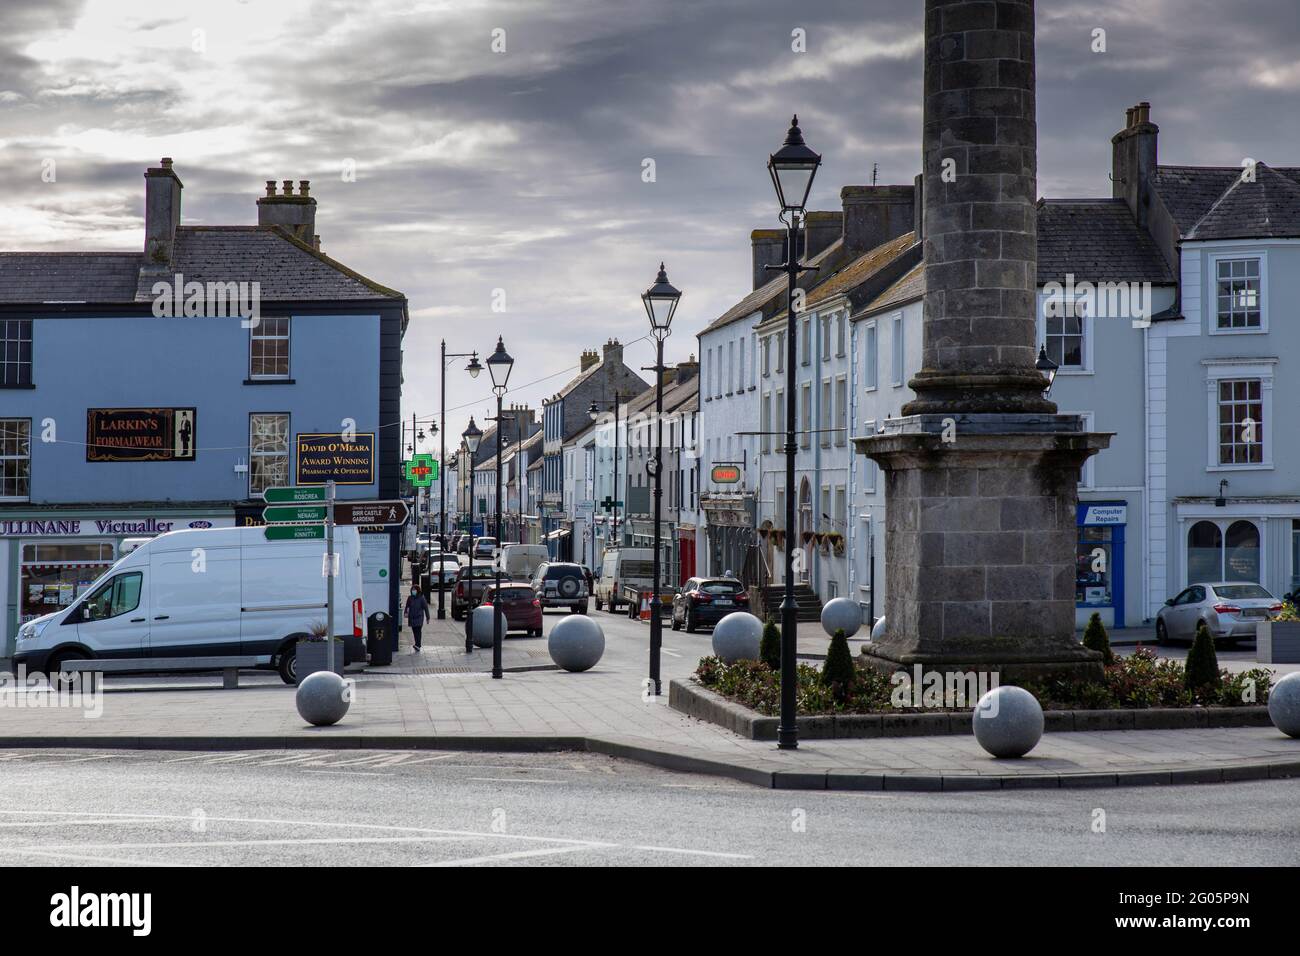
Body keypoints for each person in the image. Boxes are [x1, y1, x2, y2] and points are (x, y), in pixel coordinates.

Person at [404, 585, 430, 652]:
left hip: (419, 617)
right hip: (412, 617)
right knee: (414, 631)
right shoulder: (410, 598)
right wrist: (406, 613)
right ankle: (417, 644)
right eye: (412, 590)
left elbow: (426, 608)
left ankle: (418, 645)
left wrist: (428, 618)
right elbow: (407, 606)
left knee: (418, 631)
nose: (413, 591)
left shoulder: (421, 598)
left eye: (414, 590)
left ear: (418, 590)